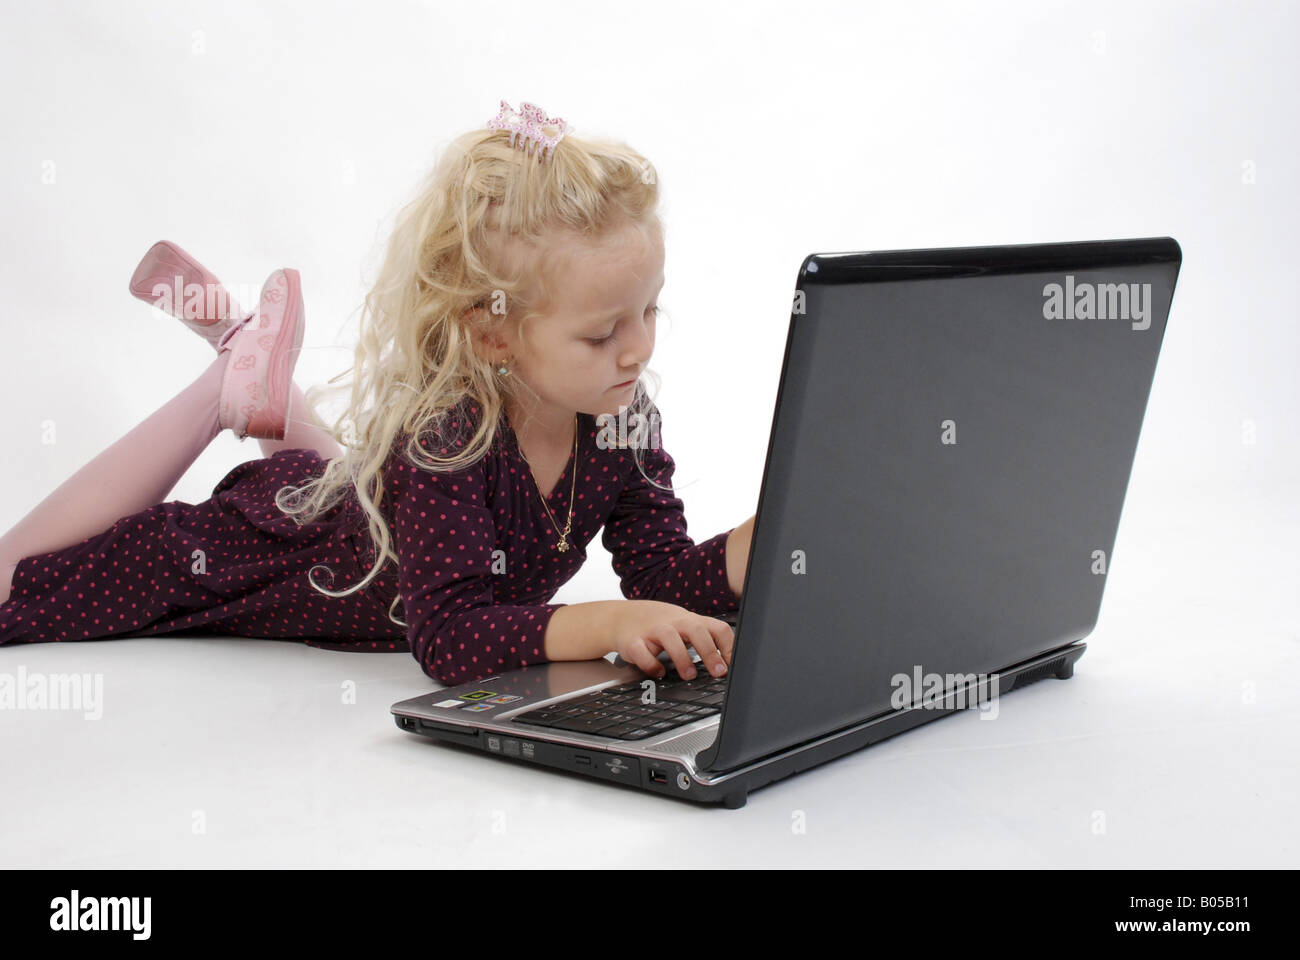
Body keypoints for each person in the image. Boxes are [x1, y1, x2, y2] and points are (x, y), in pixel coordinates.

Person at [0, 99, 756, 686]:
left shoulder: (621, 418)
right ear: (492, 333)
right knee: (11, 585)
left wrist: (761, 543)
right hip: (255, 554)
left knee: (335, 498)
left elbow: (661, 578)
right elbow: (450, 633)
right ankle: (218, 390)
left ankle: (243, 352)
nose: (640, 347)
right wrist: (606, 623)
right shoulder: (444, 437)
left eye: (649, 310)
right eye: (602, 333)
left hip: (344, 527)